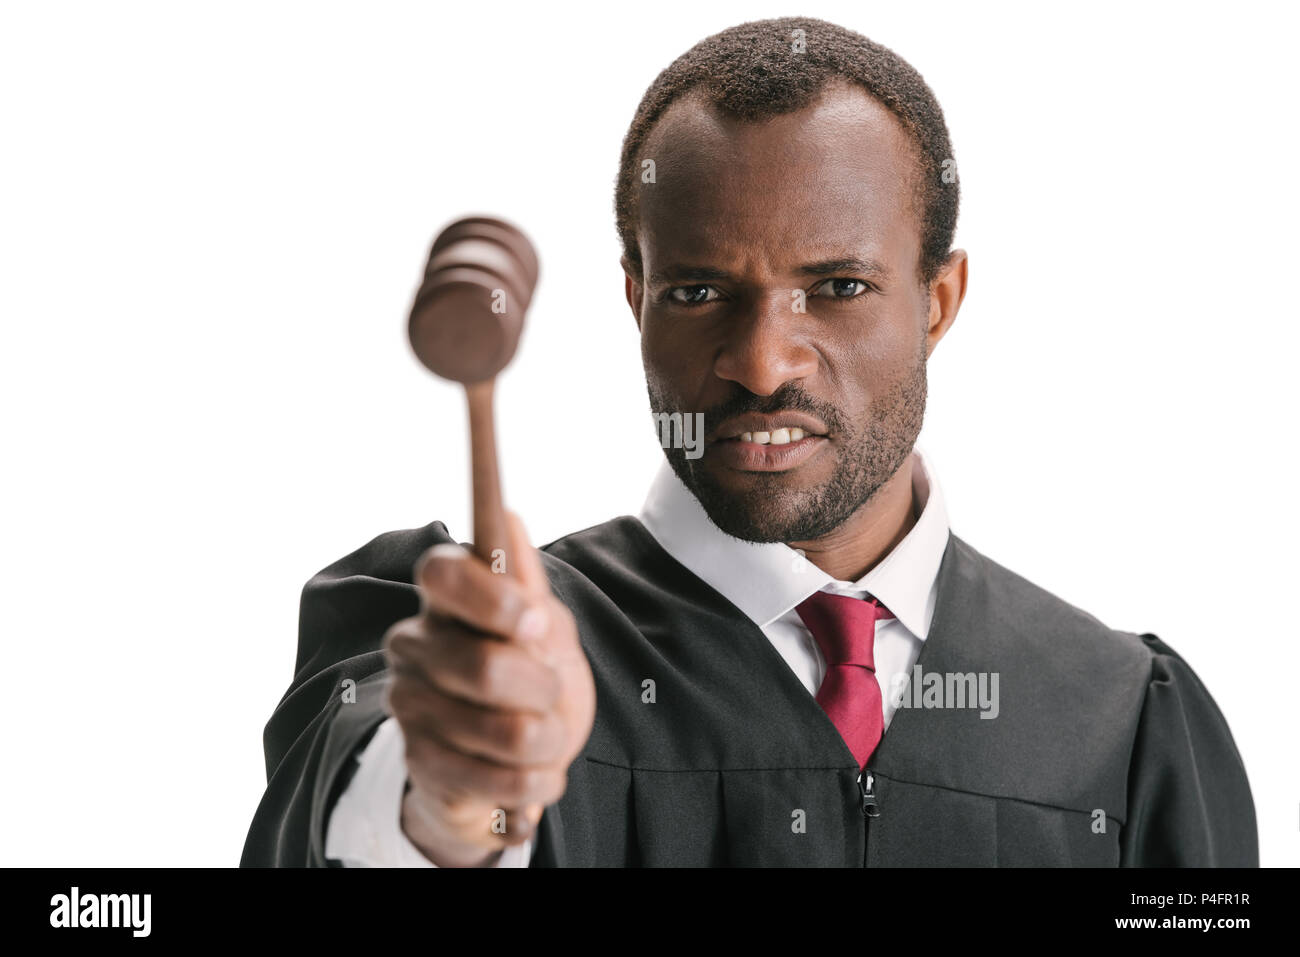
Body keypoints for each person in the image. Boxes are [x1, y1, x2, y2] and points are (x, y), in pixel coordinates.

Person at [241, 16, 1257, 867]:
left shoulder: (1119, 717)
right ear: (635, 302)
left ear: (938, 300)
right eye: (697, 292)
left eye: (838, 288)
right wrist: (448, 806)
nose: (763, 362)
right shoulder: (468, 643)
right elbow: (363, 808)